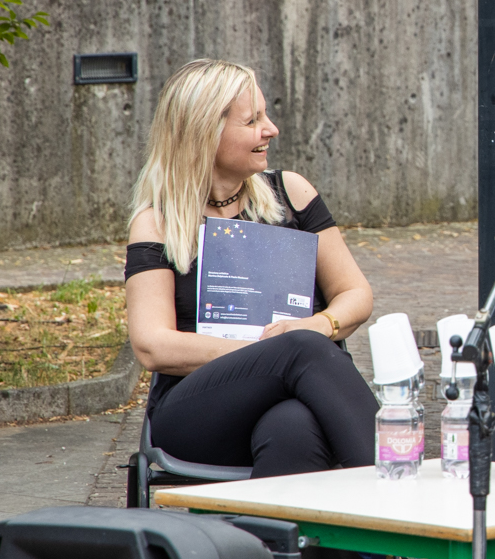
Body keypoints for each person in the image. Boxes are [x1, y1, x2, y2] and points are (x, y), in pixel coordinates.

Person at [124, 59, 379, 477]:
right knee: (299, 347)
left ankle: (273, 543)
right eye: (253, 120)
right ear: (207, 131)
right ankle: (397, 500)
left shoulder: (291, 194)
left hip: (289, 397)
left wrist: (323, 324)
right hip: (199, 408)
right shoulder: (157, 223)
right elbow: (152, 344)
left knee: (293, 427)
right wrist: (272, 354)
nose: (271, 128)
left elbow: (356, 294)